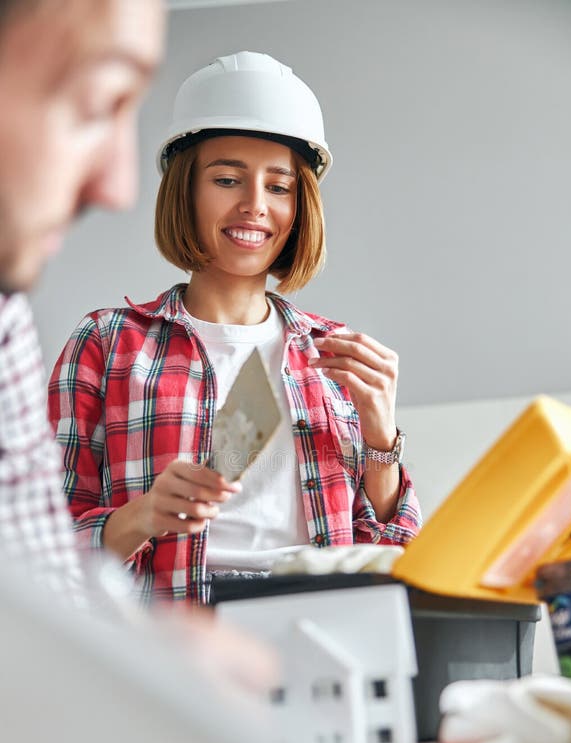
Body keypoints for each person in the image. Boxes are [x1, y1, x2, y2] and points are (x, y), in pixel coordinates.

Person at [48, 51, 422, 604]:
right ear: (184, 191)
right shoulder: (107, 343)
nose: (254, 206)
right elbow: (41, 550)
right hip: (170, 641)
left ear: (301, 207)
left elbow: (391, 549)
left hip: (318, 631)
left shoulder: (334, 355)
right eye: (227, 179)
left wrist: (381, 441)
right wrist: (145, 515)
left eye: (279, 187)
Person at [0, 0, 164, 577]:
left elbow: (38, 570)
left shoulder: (5, 321)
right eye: (100, 101)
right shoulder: (105, 339)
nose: (118, 188)